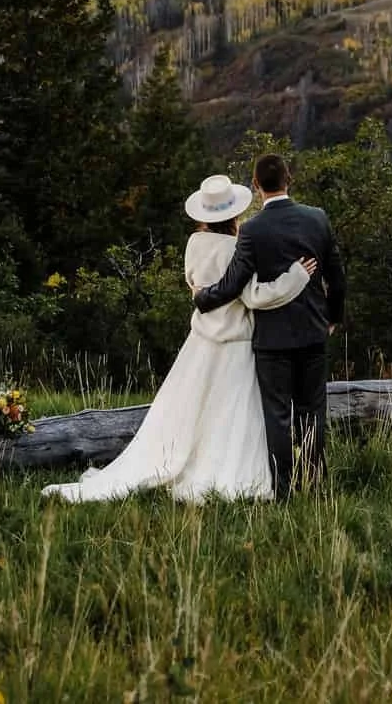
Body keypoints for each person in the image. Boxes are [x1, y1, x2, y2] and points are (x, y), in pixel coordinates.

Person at [41, 174, 319, 503]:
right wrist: (295, 278)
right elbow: (254, 296)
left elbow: (198, 288)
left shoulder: (194, 244)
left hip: (201, 343)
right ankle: (228, 474)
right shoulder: (236, 247)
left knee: (191, 410)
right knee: (230, 416)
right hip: (236, 345)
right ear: (234, 214)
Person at [192, 153, 347, 500]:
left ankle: (282, 489)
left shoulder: (251, 230)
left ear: (256, 185)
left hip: (272, 340)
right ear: (289, 179)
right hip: (312, 332)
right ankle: (314, 484)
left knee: (276, 416)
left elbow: (233, 284)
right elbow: (337, 279)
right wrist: (333, 317)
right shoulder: (317, 219)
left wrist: (203, 298)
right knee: (312, 412)